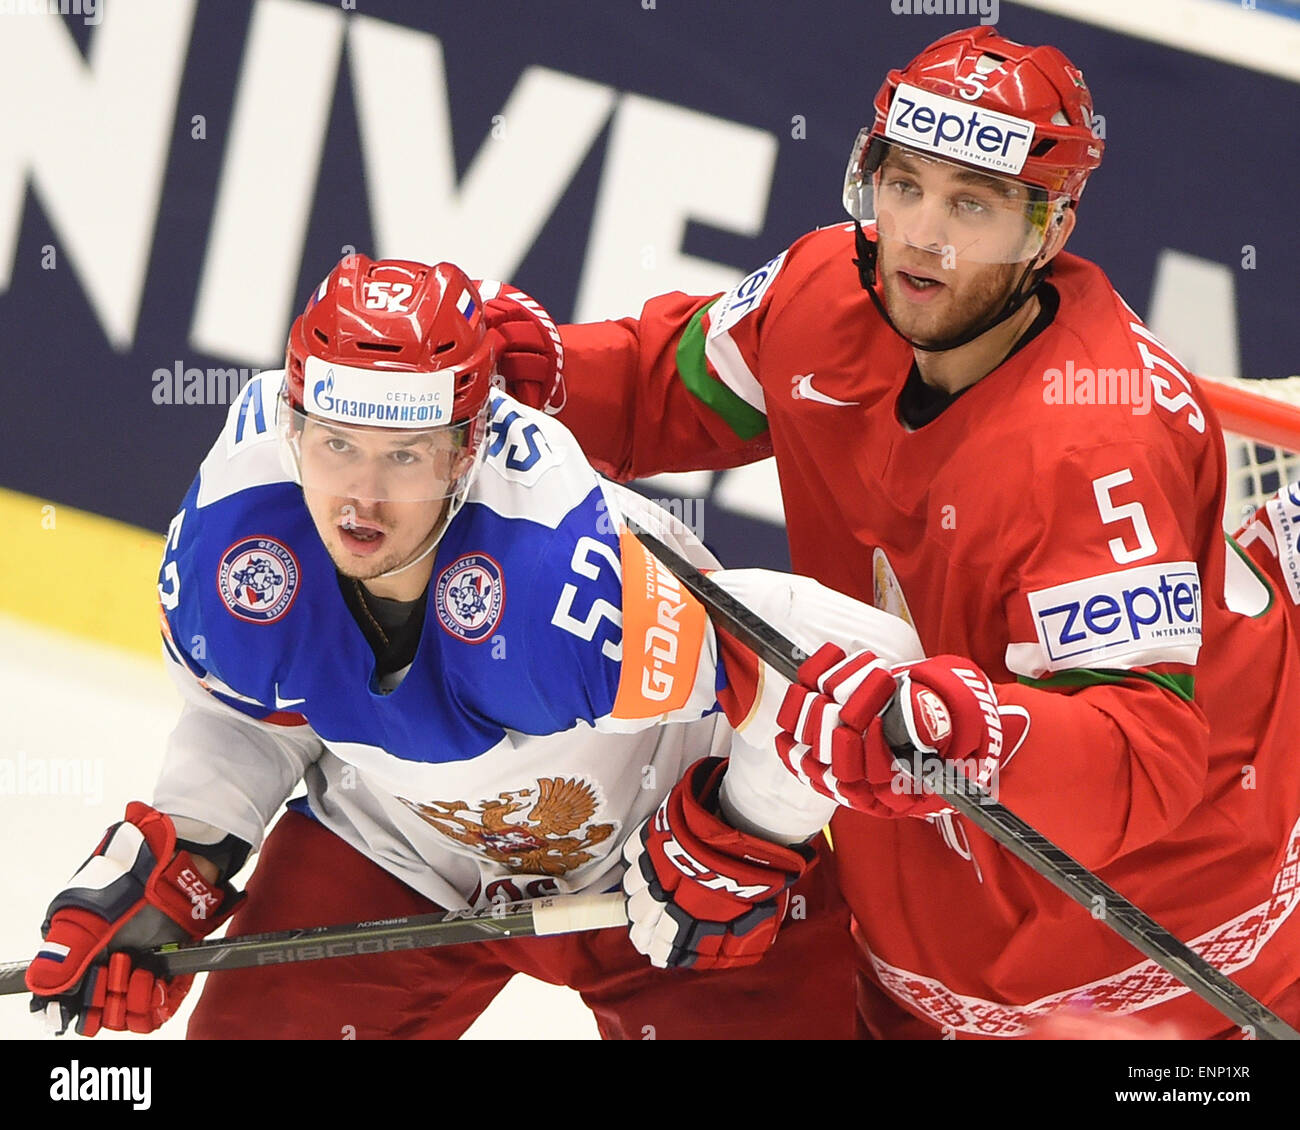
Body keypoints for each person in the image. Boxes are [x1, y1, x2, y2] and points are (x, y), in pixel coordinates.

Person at [485, 26, 1300, 1038]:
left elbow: (1143, 755)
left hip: (1175, 962)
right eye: (900, 182)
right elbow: (670, 387)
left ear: (1050, 229)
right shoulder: (826, 291)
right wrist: (530, 374)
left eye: (972, 201)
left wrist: (981, 734)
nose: (920, 233)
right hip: (918, 936)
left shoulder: (1096, 442)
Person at [23, 254, 935, 1040]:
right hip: (399, 852)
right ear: (294, 425)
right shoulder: (241, 532)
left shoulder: (556, 579)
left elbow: (858, 654)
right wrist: (180, 854)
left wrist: (742, 830)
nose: (360, 500)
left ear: (468, 451)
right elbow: (257, 707)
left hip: (657, 874)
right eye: (336, 444)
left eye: (406, 456)